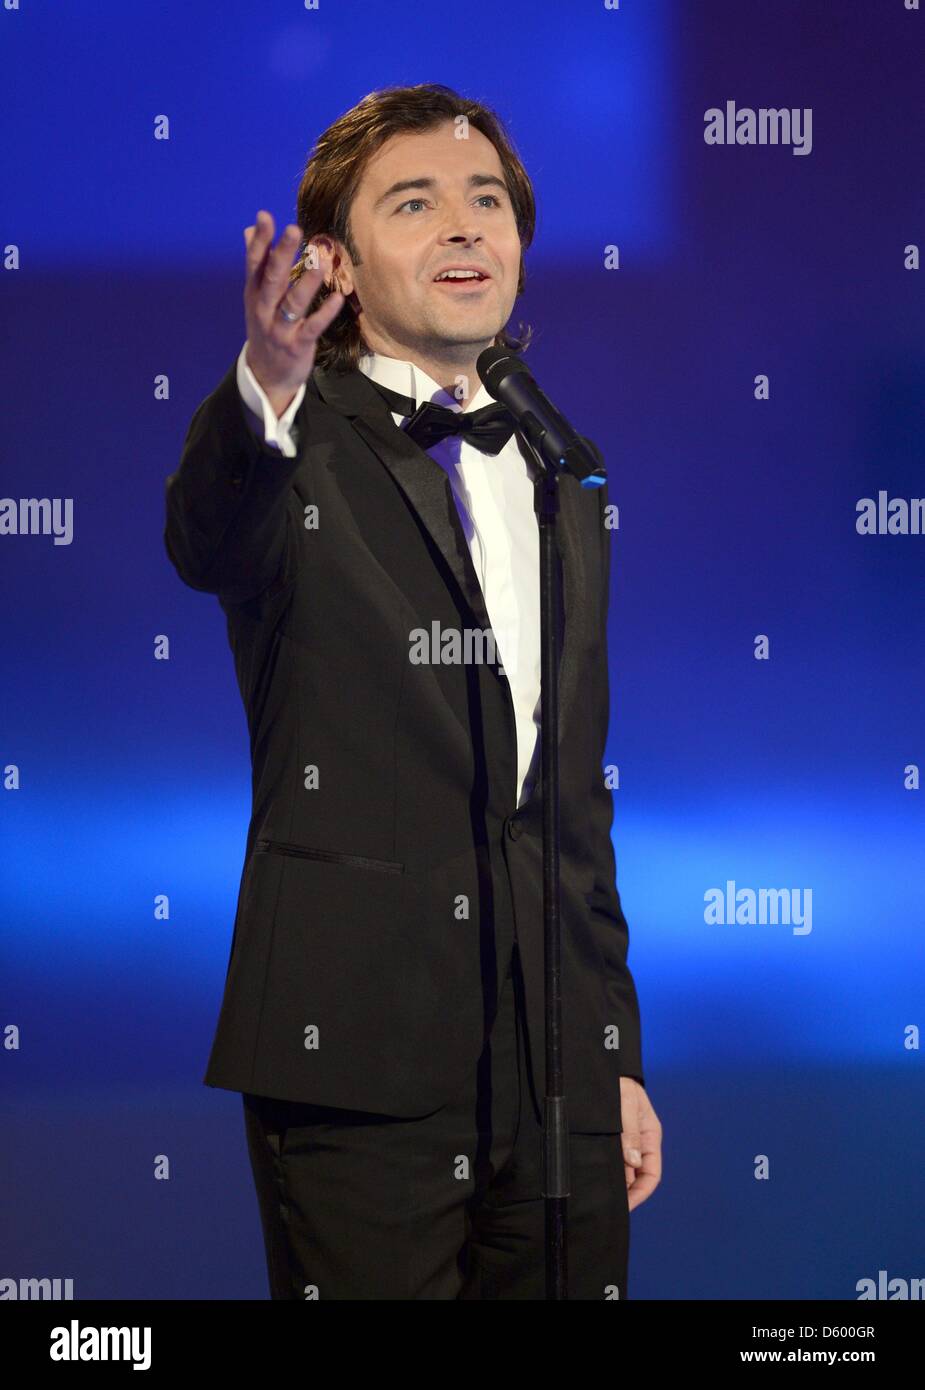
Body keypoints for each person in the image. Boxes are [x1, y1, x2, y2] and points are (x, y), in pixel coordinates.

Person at [164, 82, 661, 1300]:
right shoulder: (291, 442)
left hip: (553, 1076)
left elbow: (567, 801)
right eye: (415, 201)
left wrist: (613, 1051)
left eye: (485, 200)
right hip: (357, 1063)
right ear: (331, 260)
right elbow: (206, 537)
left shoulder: (564, 464)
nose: (463, 226)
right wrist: (264, 379)